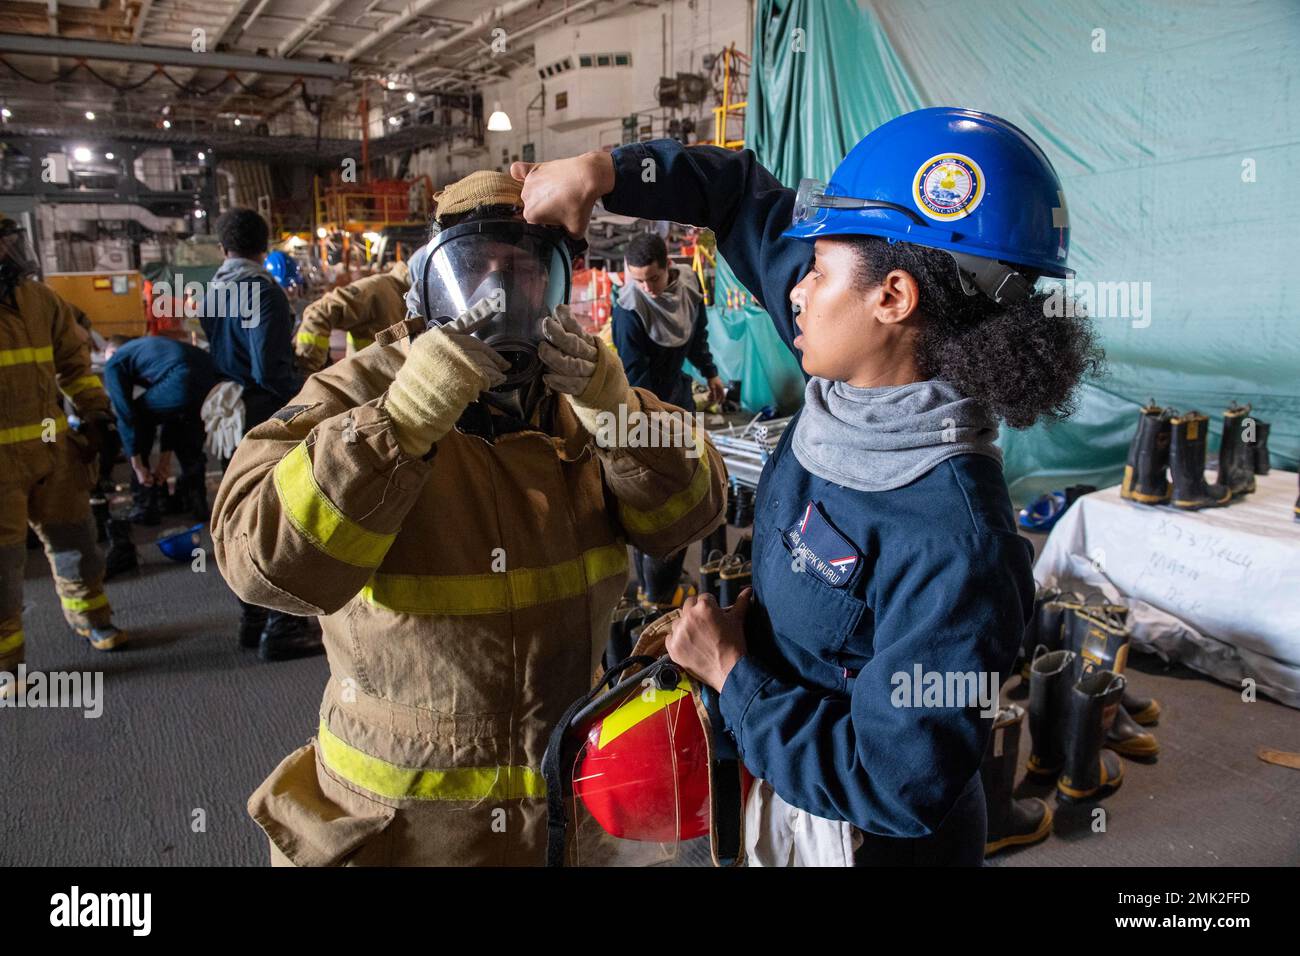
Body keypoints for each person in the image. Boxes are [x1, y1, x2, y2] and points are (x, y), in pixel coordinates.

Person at [514, 107, 1101, 865]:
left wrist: (735, 672)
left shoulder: (959, 546)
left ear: (894, 298)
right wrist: (602, 170)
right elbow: (734, 193)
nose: (794, 289)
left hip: (862, 842)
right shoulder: (868, 350)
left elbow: (896, 783)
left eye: (817, 270)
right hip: (780, 787)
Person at [211, 170, 727, 866]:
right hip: (403, 832)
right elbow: (258, 561)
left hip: (568, 820)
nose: (497, 293)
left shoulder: (582, 388)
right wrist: (397, 425)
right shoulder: (357, 391)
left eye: (522, 270)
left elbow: (691, 512)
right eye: (474, 268)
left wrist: (621, 418)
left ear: (554, 285)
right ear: (427, 282)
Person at [0, 212, 127, 671]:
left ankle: (93, 619)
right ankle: (7, 664)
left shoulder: (38, 300)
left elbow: (74, 366)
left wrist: (97, 415)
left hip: (53, 453)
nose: (12, 253)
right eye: (4, 244)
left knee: (77, 543)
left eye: (11, 242)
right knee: (3, 568)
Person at [197, 208, 318, 660]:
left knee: (240, 518)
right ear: (265, 246)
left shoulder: (213, 290)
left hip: (228, 414)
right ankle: (282, 627)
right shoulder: (262, 291)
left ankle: (252, 618)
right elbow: (269, 367)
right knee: (278, 519)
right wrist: (309, 398)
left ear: (224, 247)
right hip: (265, 414)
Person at [612, 232, 726, 610]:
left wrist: (710, 372)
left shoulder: (689, 290)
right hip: (641, 409)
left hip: (679, 402)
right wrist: (652, 434)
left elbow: (697, 339)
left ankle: (665, 581)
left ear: (668, 268)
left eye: (653, 278)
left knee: (690, 489)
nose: (645, 287)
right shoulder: (628, 309)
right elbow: (635, 376)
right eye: (637, 279)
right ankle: (654, 594)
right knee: (656, 499)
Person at [102, 335, 216, 525]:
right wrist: (165, 459)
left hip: (183, 375)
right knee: (186, 427)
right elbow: (172, 414)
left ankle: (146, 504)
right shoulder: (151, 349)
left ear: (112, 352)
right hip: (210, 377)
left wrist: (137, 463)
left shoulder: (115, 360)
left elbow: (125, 415)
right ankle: (197, 503)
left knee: (138, 416)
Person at [294, 260, 411, 373]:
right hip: (365, 388)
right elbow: (319, 312)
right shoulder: (378, 290)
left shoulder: (413, 299)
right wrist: (309, 369)